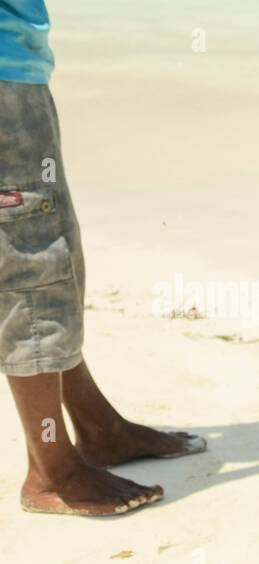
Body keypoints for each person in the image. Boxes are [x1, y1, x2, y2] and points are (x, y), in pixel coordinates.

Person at [0, 1, 204, 516]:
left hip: (16, 65)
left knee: (48, 249)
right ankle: (53, 472)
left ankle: (96, 427)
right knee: (33, 262)